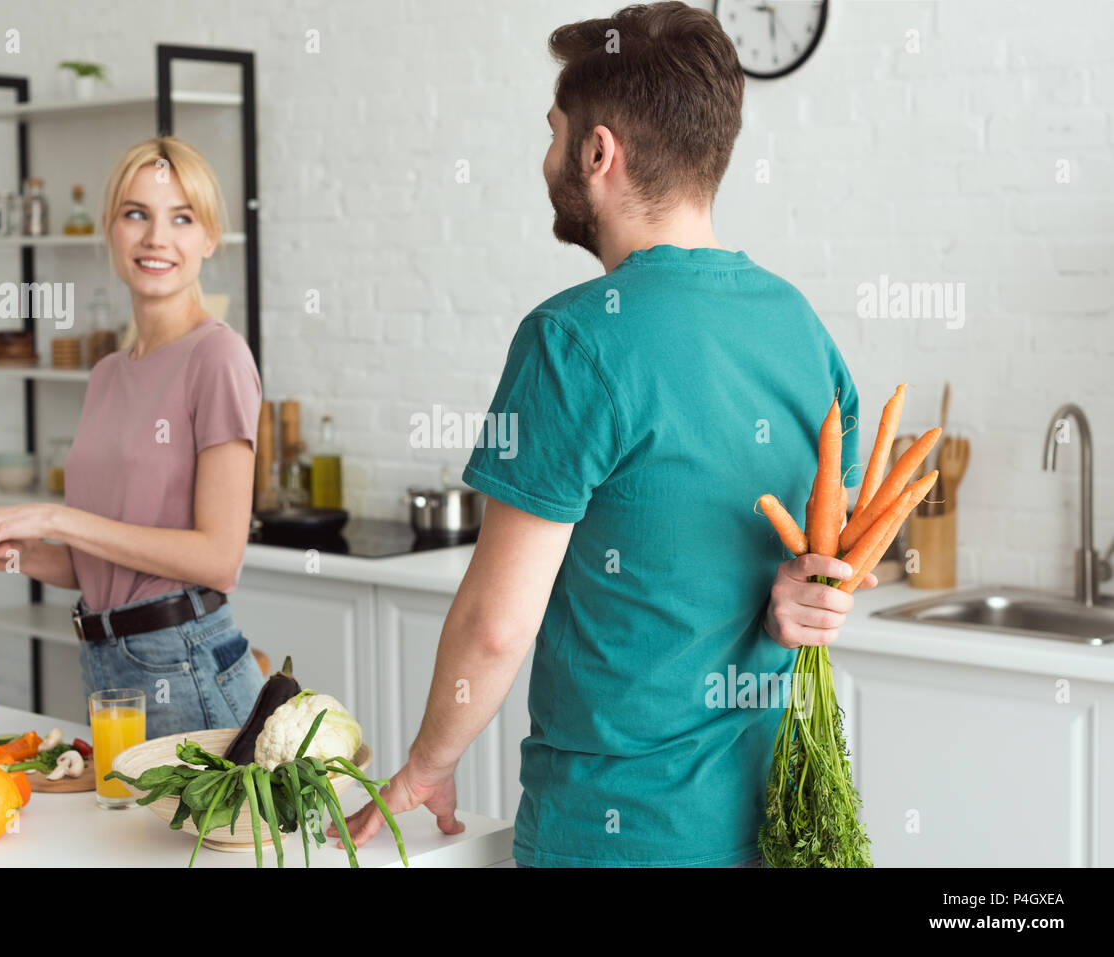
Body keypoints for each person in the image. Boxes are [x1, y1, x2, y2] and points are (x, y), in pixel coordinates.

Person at [333, 2, 879, 867]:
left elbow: (495, 625)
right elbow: (829, 564)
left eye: (555, 134)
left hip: (614, 833)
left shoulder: (573, 339)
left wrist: (425, 768)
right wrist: (793, 604)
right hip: (770, 821)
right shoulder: (800, 329)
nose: (546, 158)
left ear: (598, 152)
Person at [0, 137, 266, 737]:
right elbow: (98, 563)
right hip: (106, 662)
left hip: (187, 661)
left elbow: (219, 559)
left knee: (190, 838)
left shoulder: (218, 356)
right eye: (136, 214)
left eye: (181, 218)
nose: (155, 238)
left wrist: (52, 516)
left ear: (210, 238)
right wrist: (10, 551)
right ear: (110, 229)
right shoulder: (106, 374)